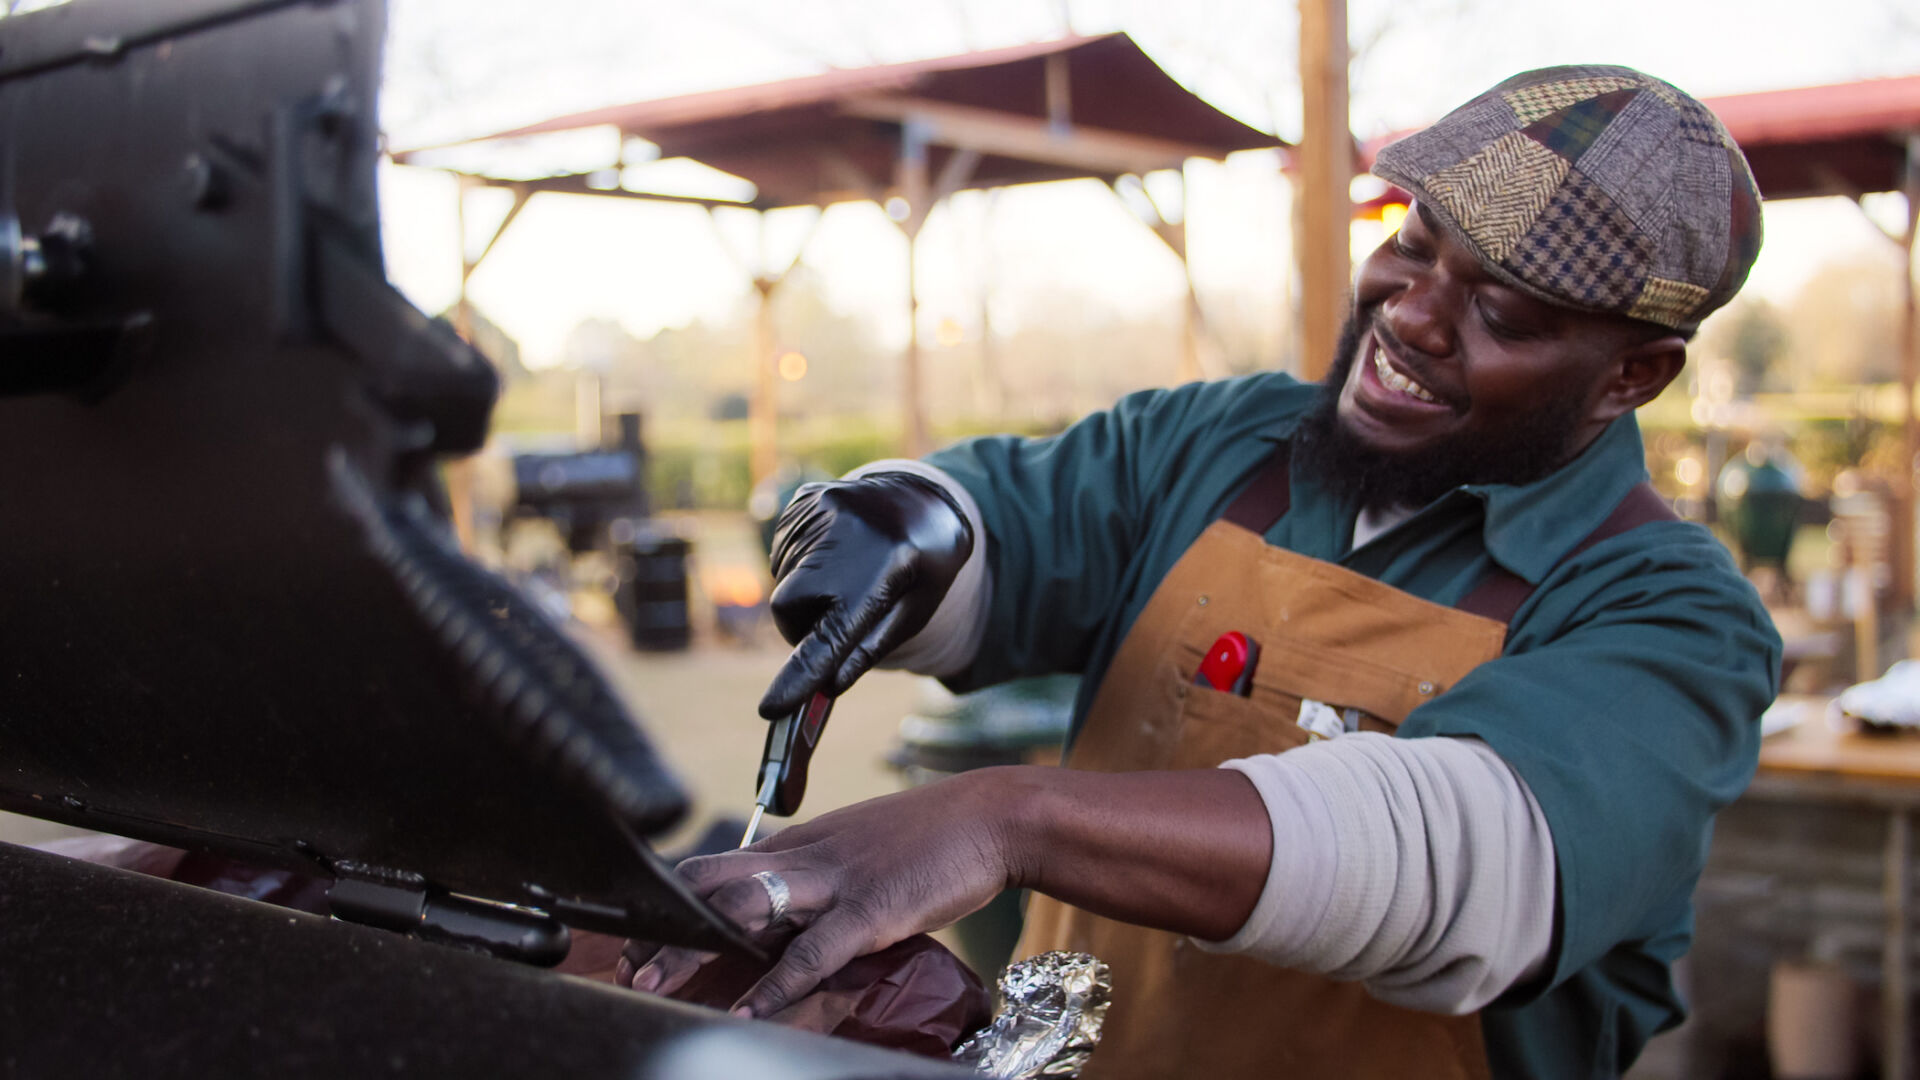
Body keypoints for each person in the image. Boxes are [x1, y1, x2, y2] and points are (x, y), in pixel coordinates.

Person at [625, 65, 1780, 1079]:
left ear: (1632, 373)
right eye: (1412, 245)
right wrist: (899, 527)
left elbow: (1463, 861)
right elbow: (1005, 522)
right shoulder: (1222, 445)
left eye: (1499, 311)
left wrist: (1008, 818)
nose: (1410, 317)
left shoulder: (1670, 617)